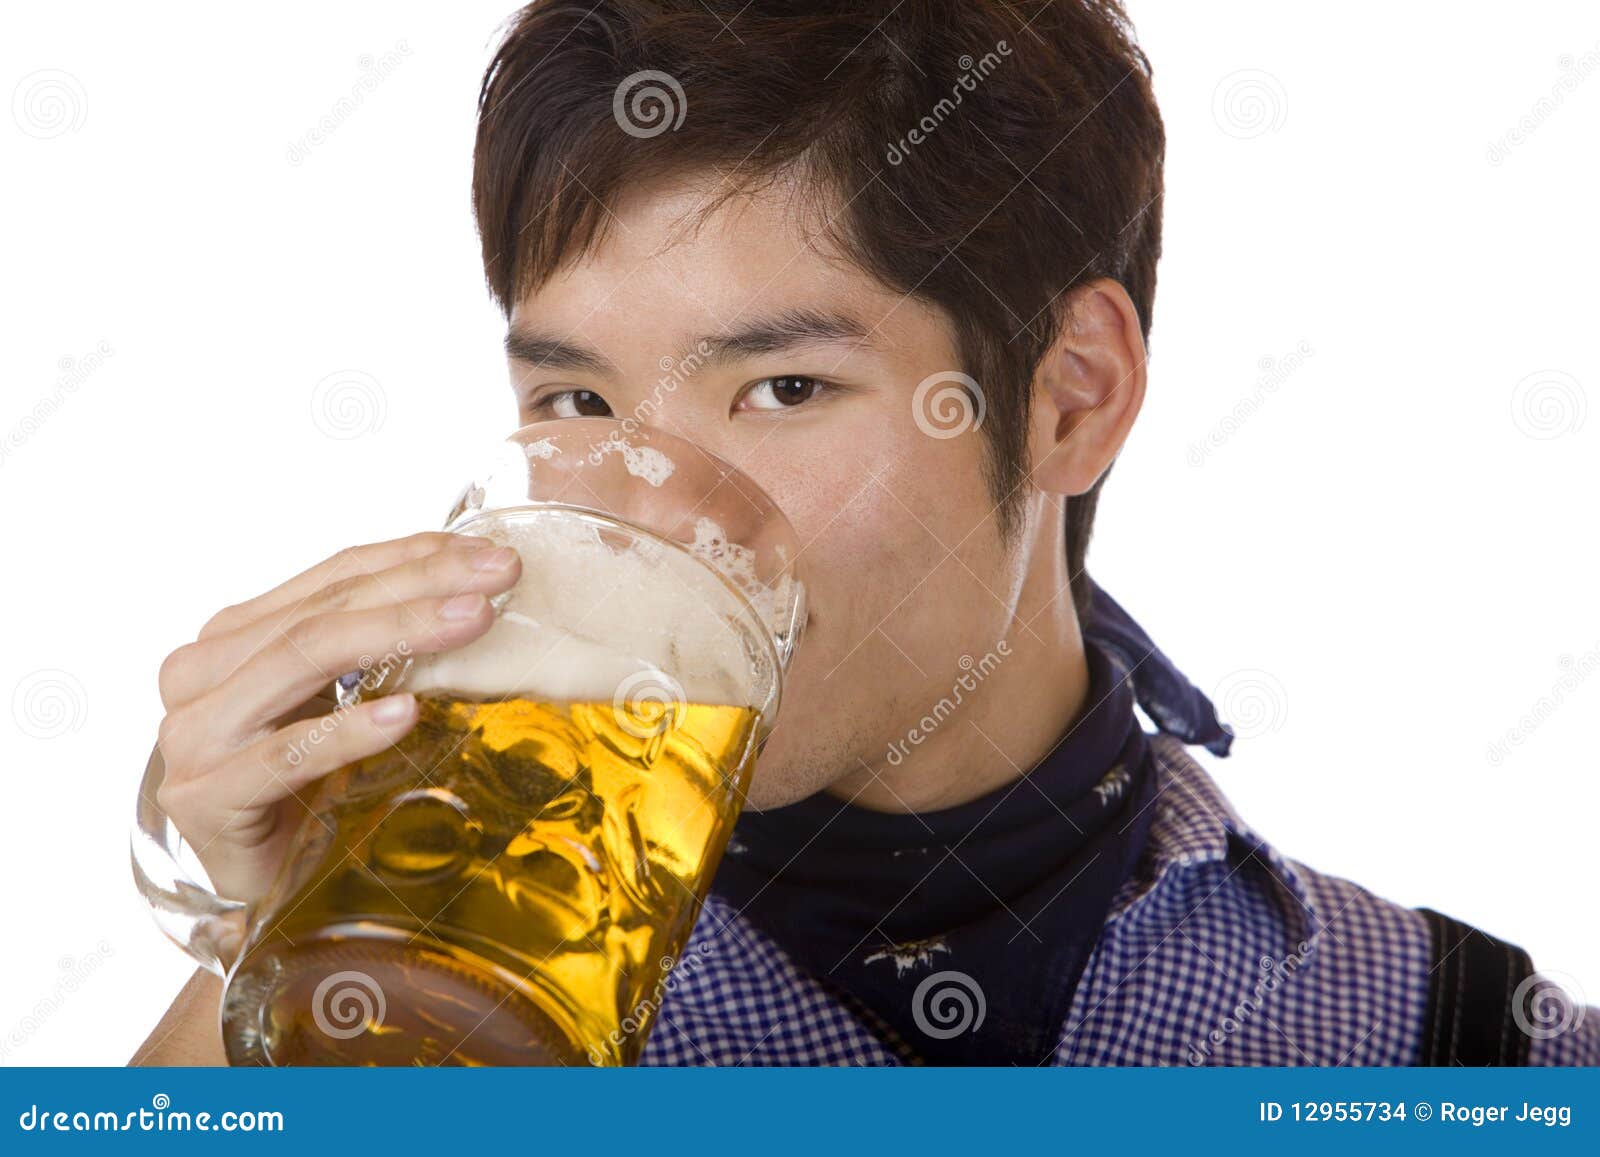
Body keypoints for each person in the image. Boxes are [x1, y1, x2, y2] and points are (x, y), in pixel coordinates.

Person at [133, 0, 1597, 1066]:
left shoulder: (1461, 1052)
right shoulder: (445, 1033)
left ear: (1072, 397)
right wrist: (269, 956)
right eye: (578, 395)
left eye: (782, 387)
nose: (655, 505)